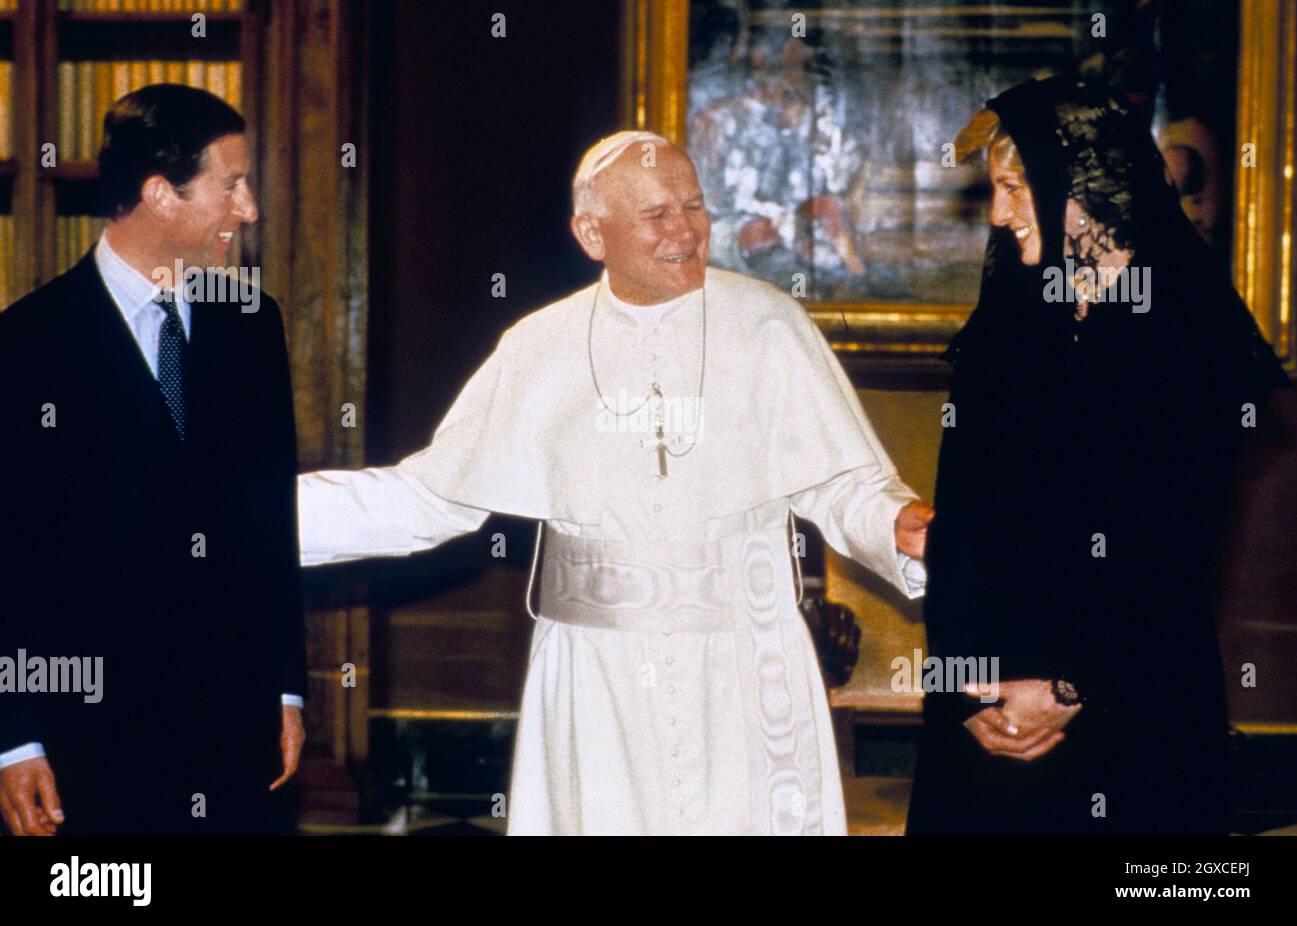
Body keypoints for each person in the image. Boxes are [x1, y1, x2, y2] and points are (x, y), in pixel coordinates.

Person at [298, 130, 933, 835]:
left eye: (694, 207)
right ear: (591, 233)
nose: (686, 231)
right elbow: (430, 498)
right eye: (658, 215)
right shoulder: (541, 347)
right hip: (596, 679)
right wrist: (248, 515)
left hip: (745, 670)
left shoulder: (768, 326)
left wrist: (894, 523)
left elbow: (843, 483)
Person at [907, 76, 1289, 836]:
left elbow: (1177, 553)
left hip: (1133, 713)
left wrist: (1068, 689)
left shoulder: (1187, 329)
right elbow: (967, 524)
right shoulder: (1008, 323)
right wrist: (973, 683)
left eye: (1015, 187)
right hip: (990, 722)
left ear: (1077, 187)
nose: (1000, 212)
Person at [0, 85, 307, 836]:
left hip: (235, 732)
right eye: (231, 184)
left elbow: (272, 523)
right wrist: (15, 738)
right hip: (88, 742)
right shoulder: (26, 343)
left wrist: (287, 692)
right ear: (159, 194)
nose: (250, 209)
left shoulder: (251, 325)